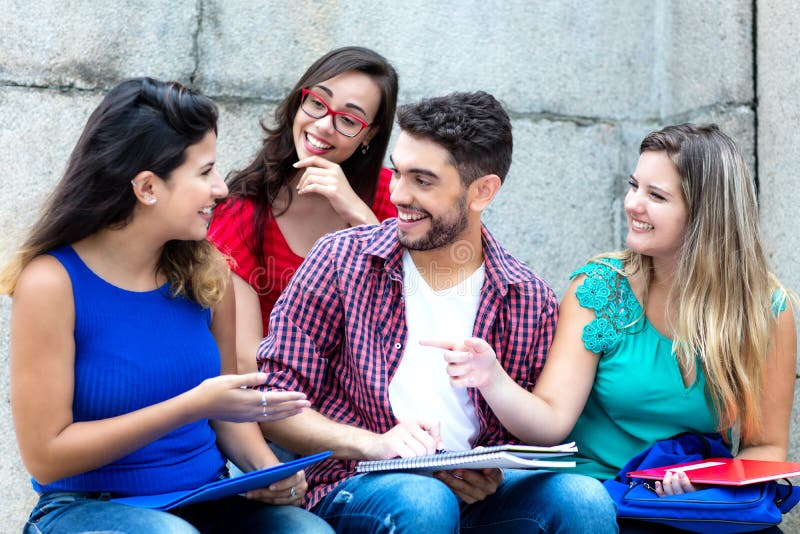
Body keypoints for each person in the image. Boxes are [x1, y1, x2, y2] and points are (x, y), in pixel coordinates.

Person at [256, 91, 619, 532]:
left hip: (472, 501)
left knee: (581, 498)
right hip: (356, 481)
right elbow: (274, 401)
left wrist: (489, 475)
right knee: (423, 500)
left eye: (422, 181)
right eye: (398, 173)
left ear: (482, 191)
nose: (398, 194)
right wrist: (373, 445)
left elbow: (522, 440)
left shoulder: (527, 298)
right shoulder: (340, 260)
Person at [2, 77, 333, 534]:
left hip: (205, 497)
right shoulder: (52, 283)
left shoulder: (209, 271)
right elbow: (47, 455)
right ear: (147, 187)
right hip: (85, 507)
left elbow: (222, 411)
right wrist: (188, 406)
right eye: (204, 172)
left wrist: (270, 475)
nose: (220, 188)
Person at [437, 124, 797, 522]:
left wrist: (709, 480)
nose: (632, 204)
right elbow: (550, 423)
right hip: (598, 499)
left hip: (699, 502)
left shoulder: (766, 310)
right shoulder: (599, 288)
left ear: (705, 215)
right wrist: (492, 378)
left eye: (656, 195)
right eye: (634, 186)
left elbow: (765, 446)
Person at [208, 46, 398, 373]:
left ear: (370, 132)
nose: (324, 125)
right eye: (316, 103)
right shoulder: (242, 212)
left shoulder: (396, 195)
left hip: (383, 391)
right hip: (285, 396)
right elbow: (245, 359)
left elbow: (424, 307)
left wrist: (362, 219)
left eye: (349, 119)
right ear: (299, 102)